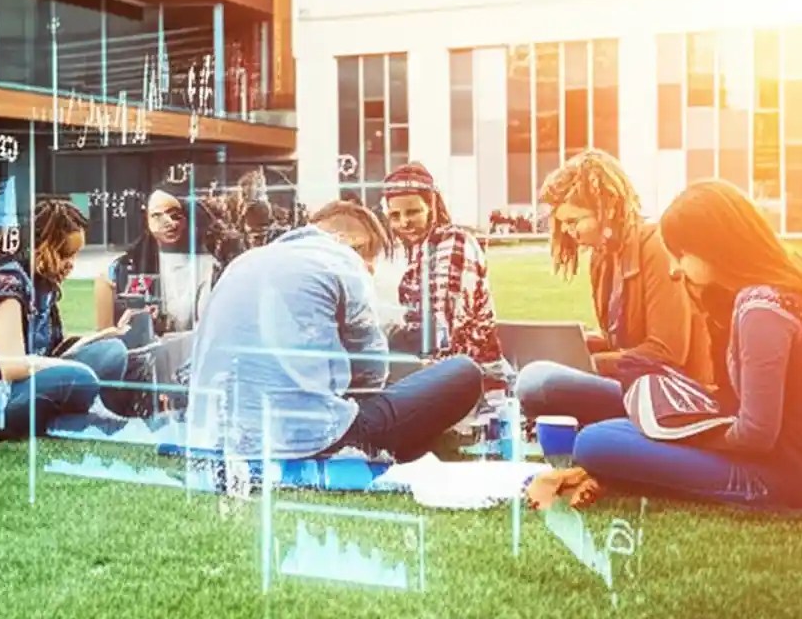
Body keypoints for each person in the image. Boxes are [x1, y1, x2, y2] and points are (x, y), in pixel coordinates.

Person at [574, 180, 802, 509]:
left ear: (711, 246)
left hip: (785, 481)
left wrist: (686, 436)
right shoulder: (789, 287)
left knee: (594, 442)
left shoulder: (763, 308)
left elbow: (756, 435)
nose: (675, 269)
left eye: (680, 255)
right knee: (616, 431)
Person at [186, 200, 484, 463]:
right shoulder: (343, 262)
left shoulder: (244, 262)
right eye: (371, 260)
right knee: (464, 373)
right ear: (355, 245)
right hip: (307, 443)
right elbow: (371, 373)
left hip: (212, 441)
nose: (370, 271)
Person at [514, 149, 713, 426]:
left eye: (574, 221)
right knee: (537, 375)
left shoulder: (655, 246)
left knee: (539, 383)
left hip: (672, 392)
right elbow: (621, 343)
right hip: (636, 385)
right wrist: (575, 344)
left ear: (606, 208)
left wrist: (590, 365)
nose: (569, 232)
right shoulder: (602, 258)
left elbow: (667, 352)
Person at [0, 199, 130, 439]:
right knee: (80, 377)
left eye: (74, 255)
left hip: (19, 386)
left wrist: (103, 336)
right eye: (64, 254)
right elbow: (13, 367)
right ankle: (73, 417)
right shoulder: (7, 285)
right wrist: (75, 368)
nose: (70, 265)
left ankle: (64, 417)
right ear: (38, 247)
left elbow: (52, 351)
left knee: (112, 351)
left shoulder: (42, 284)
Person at [381, 163, 503, 372]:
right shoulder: (409, 250)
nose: (404, 222)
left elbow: (445, 330)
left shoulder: (453, 243)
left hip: (470, 370)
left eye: (413, 212)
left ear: (432, 207)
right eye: (395, 216)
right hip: (426, 366)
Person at [96, 181, 218, 337]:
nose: (168, 222)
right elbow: (106, 336)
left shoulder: (208, 266)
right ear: (146, 220)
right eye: (157, 216)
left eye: (175, 215)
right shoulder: (122, 268)